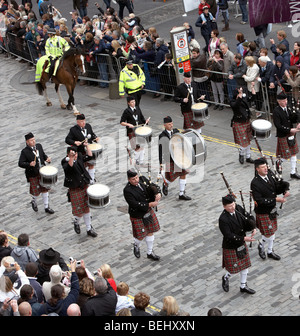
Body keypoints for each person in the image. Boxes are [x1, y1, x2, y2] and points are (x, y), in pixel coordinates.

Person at [251, 158, 290, 261]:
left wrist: (285, 189)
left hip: (271, 209)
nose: (266, 169)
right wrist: (276, 199)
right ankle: (267, 249)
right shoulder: (255, 183)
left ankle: (267, 250)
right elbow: (259, 200)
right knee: (270, 233)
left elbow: (276, 187)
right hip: (263, 211)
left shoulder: (269, 175)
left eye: (266, 166)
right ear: (257, 169)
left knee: (271, 231)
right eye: (263, 167)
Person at [218, 194, 256, 294]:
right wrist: (244, 238)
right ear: (224, 207)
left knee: (245, 265)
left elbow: (249, 216)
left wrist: (253, 227)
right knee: (234, 267)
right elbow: (228, 235)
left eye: (233, 204)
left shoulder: (238, 208)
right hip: (231, 245)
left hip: (241, 242)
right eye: (230, 206)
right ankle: (226, 277)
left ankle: (243, 286)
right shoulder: (223, 219)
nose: (232, 207)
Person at [123, 168, 161, 261]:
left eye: (136, 178)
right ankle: (136, 245)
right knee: (140, 235)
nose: (136, 180)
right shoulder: (127, 190)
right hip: (137, 214)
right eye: (133, 179)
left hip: (148, 211)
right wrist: (149, 204)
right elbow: (134, 204)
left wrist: (157, 193)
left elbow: (153, 186)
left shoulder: (143, 179)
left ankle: (150, 252)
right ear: (129, 180)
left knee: (150, 231)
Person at [61, 146, 98, 237]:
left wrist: (86, 146)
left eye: (76, 153)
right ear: (68, 154)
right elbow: (70, 167)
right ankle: (76, 222)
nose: (75, 155)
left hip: (84, 186)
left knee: (86, 208)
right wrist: (71, 157)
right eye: (72, 153)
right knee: (79, 211)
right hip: (75, 189)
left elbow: (89, 156)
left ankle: (89, 228)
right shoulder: (65, 162)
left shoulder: (80, 156)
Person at [18, 132, 54, 214]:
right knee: (36, 191)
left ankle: (46, 207)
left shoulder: (39, 146)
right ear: (27, 142)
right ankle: (34, 200)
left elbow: (43, 155)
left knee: (45, 189)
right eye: (31, 140)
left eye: (34, 139)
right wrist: (29, 164)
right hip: (33, 173)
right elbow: (20, 163)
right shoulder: (24, 152)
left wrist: (47, 158)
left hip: (43, 171)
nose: (33, 141)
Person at [158, 116, 192, 200]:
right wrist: (161, 163)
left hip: (179, 157)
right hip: (169, 159)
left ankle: (181, 193)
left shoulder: (176, 131)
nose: (171, 125)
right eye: (169, 124)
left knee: (183, 173)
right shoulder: (162, 135)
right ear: (165, 125)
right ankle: (166, 184)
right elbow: (160, 149)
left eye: (172, 123)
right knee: (171, 178)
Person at [65, 113, 100, 184]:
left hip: (89, 150)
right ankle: (84, 179)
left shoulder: (88, 126)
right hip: (80, 152)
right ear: (77, 122)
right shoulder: (73, 130)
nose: (84, 123)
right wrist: (75, 142)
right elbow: (67, 139)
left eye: (84, 120)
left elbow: (92, 135)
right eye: (81, 121)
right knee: (82, 167)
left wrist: (95, 138)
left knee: (91, 164)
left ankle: (92, 180)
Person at [272, 93, 300, 179]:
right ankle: (278, 162)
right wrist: (290, 130)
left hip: (291, 135)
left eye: (286, 100)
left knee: (293, 153)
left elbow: (296, 116)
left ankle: (293, 172)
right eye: (283, 101)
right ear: (279, 101)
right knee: (286, 155)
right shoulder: (276, 111)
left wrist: (299, 122)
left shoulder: (288, 108)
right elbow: (278, 126)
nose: (285, 102)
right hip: (283, 135)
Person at [120, 96, 150, 166]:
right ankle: (136, 161)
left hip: (140, 130)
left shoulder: (138, 108)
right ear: (128, 103)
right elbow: (121, 122)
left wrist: (146, 121)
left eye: (134, 102)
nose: (133, 103)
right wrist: (128, 124)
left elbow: (142, 119)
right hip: (132, 131)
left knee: (142, 146)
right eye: (132, 102)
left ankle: (141, 161)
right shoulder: (126, 111)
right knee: (136, 147)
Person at [230, 86, 255, 164]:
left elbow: (251, 99)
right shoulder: (232, 101)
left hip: (246, 121)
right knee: (244, 141)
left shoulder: (243, 99)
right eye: (240, 92)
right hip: (239, 123)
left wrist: (253, 90)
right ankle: (241, 154)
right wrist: (239, 98)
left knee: (248, 140)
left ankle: (248, 157)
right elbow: (235, 106)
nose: (242, 93)